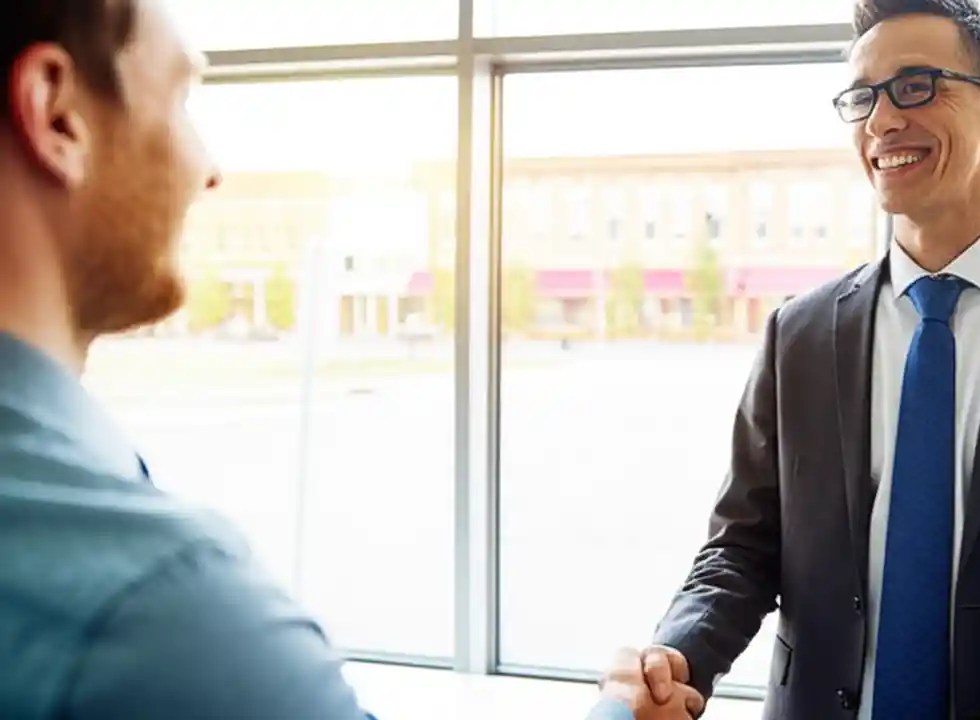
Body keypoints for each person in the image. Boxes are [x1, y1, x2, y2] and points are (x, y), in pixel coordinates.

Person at [0, 1, 705, 718]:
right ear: (56, 114)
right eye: (180, 98)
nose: (207, 169)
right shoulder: (165, 619)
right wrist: (624, 712)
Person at [620, 1, 980, 718]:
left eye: (916, 86)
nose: (883, 120)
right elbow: (743, 546)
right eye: (862, 97)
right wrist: (681, 652)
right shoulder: (798, 334)